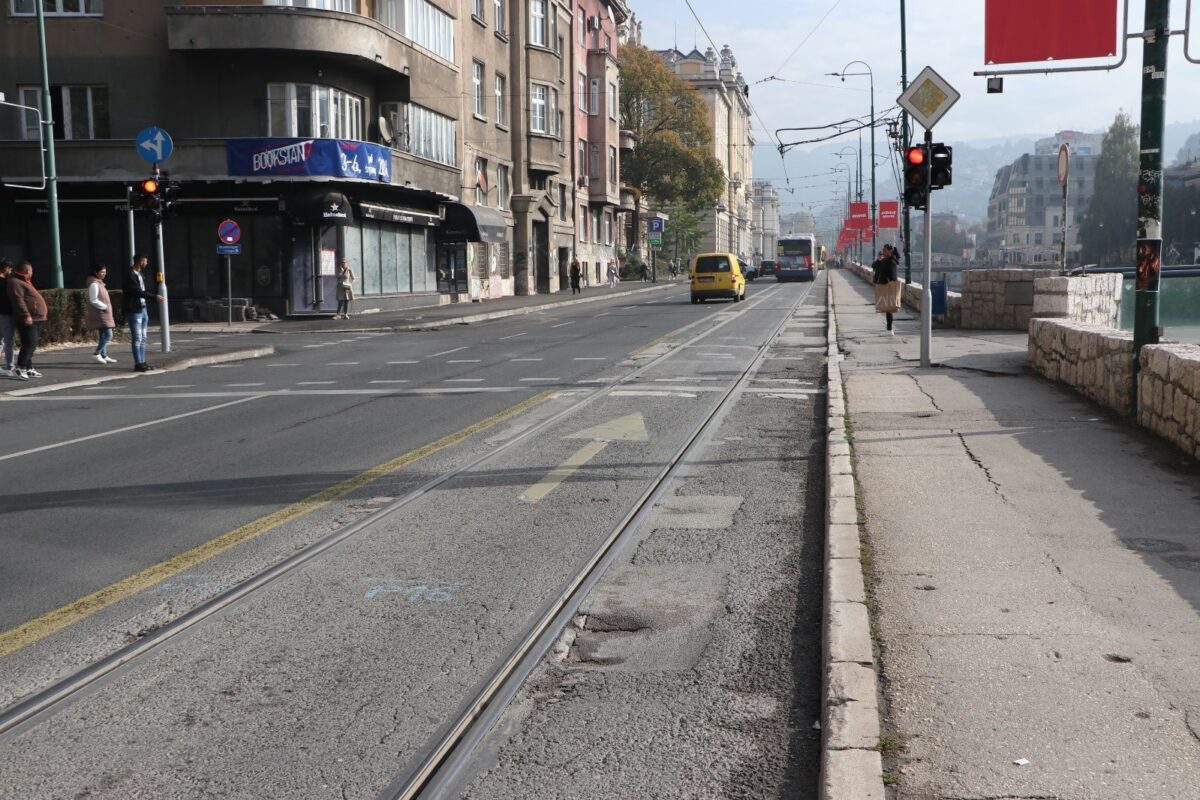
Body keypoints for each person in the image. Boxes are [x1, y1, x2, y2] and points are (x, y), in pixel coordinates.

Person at [8, 260, 47, 380]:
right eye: (31, 271)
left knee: (32, 344)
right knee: (29, 343)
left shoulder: (25, 282)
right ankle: (21, 367)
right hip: (28, 318)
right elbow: (18, 300)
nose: (32, 273)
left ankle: (29, 368)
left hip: (36, 318)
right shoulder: (16, 282)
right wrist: (26, 315)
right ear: (27, 271)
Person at [124, 253, 163, 372]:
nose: (147, 263)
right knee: (137, 337)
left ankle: (143, 361)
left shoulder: (140, 274)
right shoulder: (130, 275)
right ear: (140, 262)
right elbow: (137, 291)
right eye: (145, 261)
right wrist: (154, 296)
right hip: (134, 310)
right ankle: (138, 363)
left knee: (143, 337)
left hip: (143, 308)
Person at [86, 264, 117, 365]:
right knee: (108, 335)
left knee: (103, 335)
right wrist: (104, 306)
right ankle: (97, 353)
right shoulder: (94, 284)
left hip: (104, 313)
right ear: (96, 272)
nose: (104, 274)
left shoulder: (100, 283)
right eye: (102, 272)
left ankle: (104, 355)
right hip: (101, 313)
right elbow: (93, 300)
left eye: (105, 272)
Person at [871, 244, 901, 336]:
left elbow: (892, 276)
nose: (883, 251)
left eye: (885, 250)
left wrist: (886, 280)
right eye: (883, 250)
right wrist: (879, 259)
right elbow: (874, 265)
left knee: (889, 309)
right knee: (888, 309)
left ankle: (889, 330)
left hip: (888, 287)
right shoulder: (886, 260)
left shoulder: (891, 261)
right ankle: (889, 329)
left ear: (890, 251)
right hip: (885, 285)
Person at [0, 259, 14, 377]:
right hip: (5, 313)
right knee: (8, 341)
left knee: (0, 341)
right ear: (6, 268)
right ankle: (10, 366)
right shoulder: (6, 283)